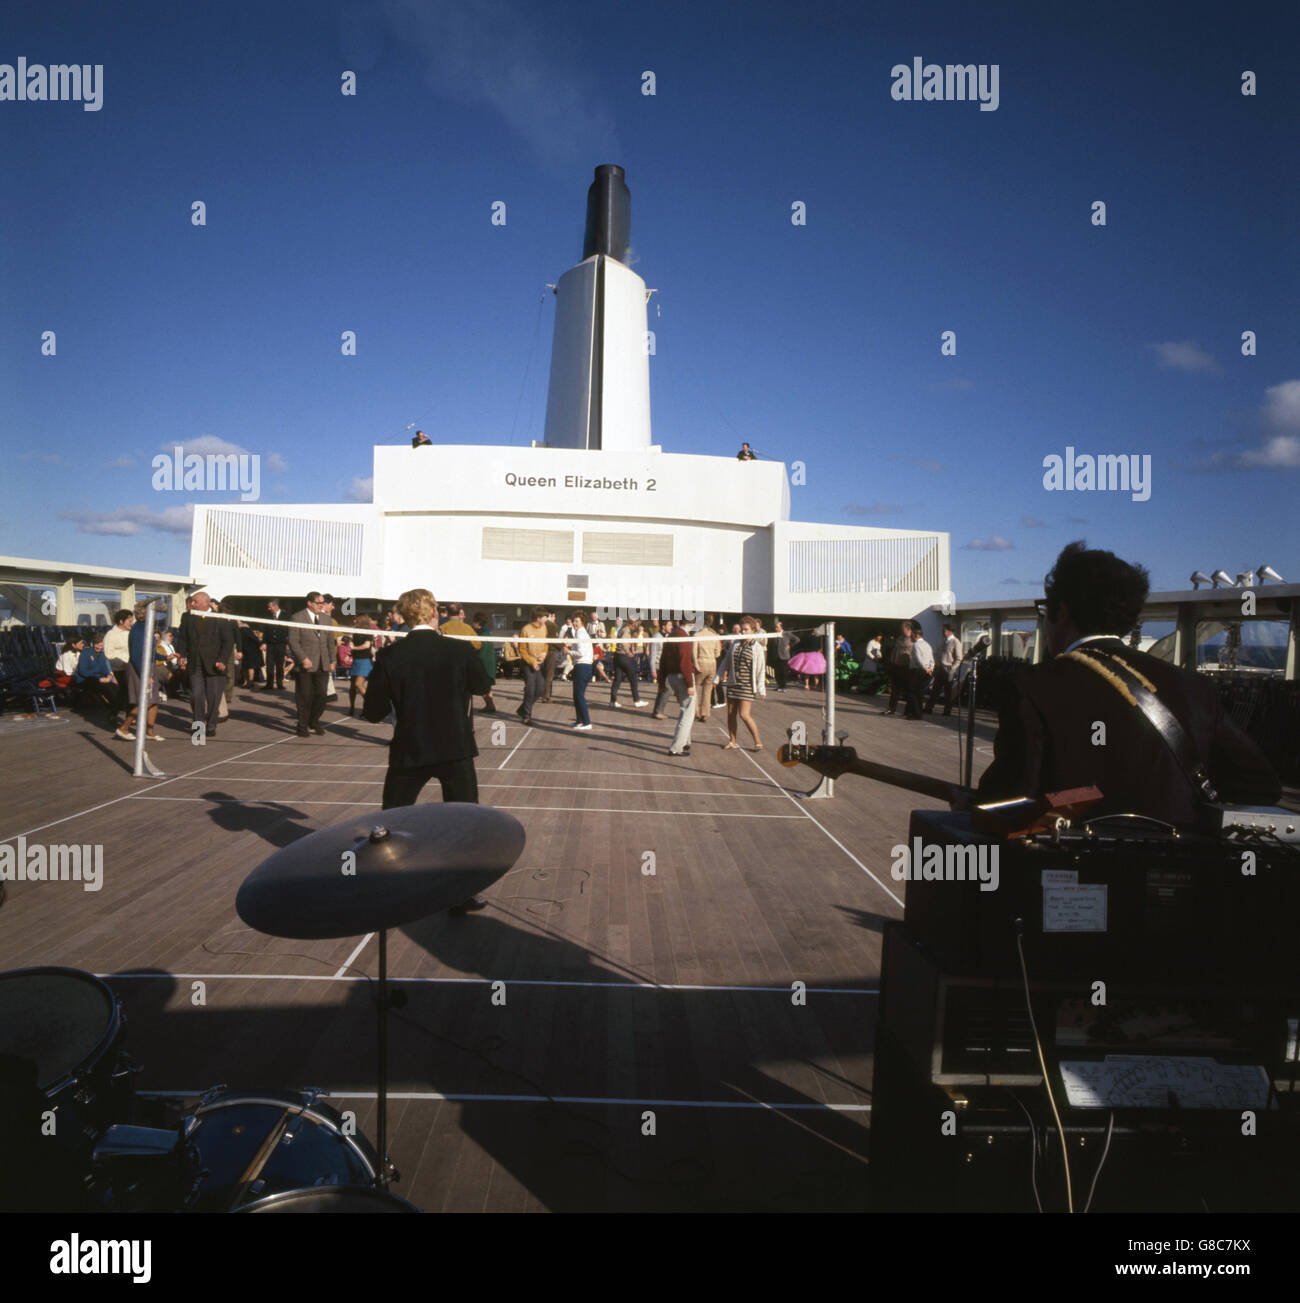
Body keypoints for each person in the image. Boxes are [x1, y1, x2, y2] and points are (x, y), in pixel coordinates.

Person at [978, 541, 1281, 823]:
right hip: (1179, 863)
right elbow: (1261, 785)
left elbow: (1008, 803)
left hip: (1071, 869)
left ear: (1062, 611)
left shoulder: (1032, 687)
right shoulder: (1195, 688)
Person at [363, 587, 493, 915]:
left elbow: (373, 711)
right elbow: (482, 685)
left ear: (404, 617)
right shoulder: (458, 650)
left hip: (410, 750)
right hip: (455, 749)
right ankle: (459, 895)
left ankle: (386, 888)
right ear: (434, 613)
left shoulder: (391, 656)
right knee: (464, 823)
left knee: (389, 822)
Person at [176, 591, 234, 739]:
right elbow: (182, 638)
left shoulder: (220, 618)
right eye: (192, 602)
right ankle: (198, 727)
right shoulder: (188, 617)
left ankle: (212, 724)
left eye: (195, 601)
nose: (192, 604)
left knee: (213, 697)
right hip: (195, 664)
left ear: (205, 602)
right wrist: (181, 655)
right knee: (196, 696)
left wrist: (222, 660)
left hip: (214, 665)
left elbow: (228, 642)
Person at [288, 591, 337, 737]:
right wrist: (303, 658)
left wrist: (332, 660)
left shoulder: (326, 619)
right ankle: (302, 725)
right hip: (306, 665)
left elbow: (330, 642)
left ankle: (314, 720)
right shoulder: (297, 617)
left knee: (322, 695)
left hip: (323, 663)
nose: (321, 606)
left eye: (322, 603)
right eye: (318, 603)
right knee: (305, 696)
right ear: (309, 603)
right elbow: (293, 641)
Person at [118, 600, 163, 741]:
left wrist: (165, 656)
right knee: (146, 701)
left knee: (154, 700)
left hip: (149, 665)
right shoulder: (139, 629)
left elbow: (150, 650)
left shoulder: (146, 627)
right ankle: (123, 728)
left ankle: (149, 731)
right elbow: (137, 655)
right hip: (140, 667)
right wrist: (145, 675)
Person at [721, 615, 765, 751]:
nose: (743, 632)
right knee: (730, 714)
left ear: (753, 630)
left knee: (744, 715)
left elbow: (761, 669)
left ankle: (758, 741)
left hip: (747, 685)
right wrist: (718, 677)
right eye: (742, 630)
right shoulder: (735, 643)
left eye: (746, 630)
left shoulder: (757, 647)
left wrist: (761, 688)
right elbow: (726, 661)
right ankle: (732, 741)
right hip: (733, 683)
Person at [658, 620, 697, 755]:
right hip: (682, 677)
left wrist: (661, 682)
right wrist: (690, 684)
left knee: (684, 709)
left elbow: (663, 660)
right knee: (687, 713)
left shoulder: (671, 636)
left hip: (671, 677)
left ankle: (685, 742)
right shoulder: (684, 637)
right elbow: (685, 661)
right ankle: (676, 748)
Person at [73, 632, 118, 724]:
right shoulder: (86, 653)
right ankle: (112, 712)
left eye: (101, 645)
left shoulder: (102, 654)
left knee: (115, 688)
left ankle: (113, 711)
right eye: (97, 645)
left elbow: (105, 669)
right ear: (94, 644)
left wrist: (109, 676)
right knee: (106, 688)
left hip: (99, 678)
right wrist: (99, 678)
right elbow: (83, 671)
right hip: (85, 679)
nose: (99, 647)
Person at [517, 606, 549, 725]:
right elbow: (522, 649)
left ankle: (523, 709)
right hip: (528, 664)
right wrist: (532, 662)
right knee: (530, 689)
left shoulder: (544, 628)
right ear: (538, 618)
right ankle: (526, 716)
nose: (547, 619)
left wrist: (544, 654)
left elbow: (546, 644)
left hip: (541, 662)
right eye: (545, 617)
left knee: (540, 689)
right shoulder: (526, 629)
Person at [925, 623, 962, 716]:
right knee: (935, 689)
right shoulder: (944, 641)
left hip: (948, 668)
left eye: (944, 630)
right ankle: (929, 707)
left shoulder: (956, 642)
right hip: (940, 668)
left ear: (950, 631)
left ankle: (947, 710)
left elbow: (959, 658)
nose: (943, 632)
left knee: (948, 691)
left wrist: (952, 669)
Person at [567, 611, 595, 731]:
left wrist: (567, 652)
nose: (574, 623)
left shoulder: (580, 634)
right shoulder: (580, 633)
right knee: (577, 695)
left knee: (579, 695)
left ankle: (587, 722)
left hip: (583, 666)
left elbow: (580, 653)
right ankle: (580, 721)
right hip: (583, 666)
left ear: (582, 622)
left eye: (577, 621)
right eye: (574, 621)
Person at [609, 622, 645, 708]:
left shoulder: (622, 629)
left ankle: (612, 701)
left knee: (617, 679)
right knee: (633, 678)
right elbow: (624, 643)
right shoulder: (626, 630)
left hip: (617, 656)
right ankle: (637, 700)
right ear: (633, 624)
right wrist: (628, 652)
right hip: (624, 657)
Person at [693, 619, 723, 723]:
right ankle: (705, 713)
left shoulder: (697, 636)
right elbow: (718, 652)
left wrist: (696, 664)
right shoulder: (714, 636)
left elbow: (694, 652)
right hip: (712, 663)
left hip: (701, 662)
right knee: (707, 690)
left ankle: (695, 711)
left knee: (695, 687)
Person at [882, 622, 914, 716]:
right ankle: (891, 709)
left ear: (908, 629)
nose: (901, 630)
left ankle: (907, 711)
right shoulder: (900, 638)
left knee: (907, 690)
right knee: (895, 689)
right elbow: (895, 650)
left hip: (906, 666)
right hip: (896, 665)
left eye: (903, 628)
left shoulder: (913, 639)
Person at [904, 622, 934, 720]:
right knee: (919, 693)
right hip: (927, 671)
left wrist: (925, 668)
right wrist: (930, 668)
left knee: (911, 691)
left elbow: (918, 658)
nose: (911, 637)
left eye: (912, 635)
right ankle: (917, 713)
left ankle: (916, 713)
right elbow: (931, 658)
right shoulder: (927, 644)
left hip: (917, 670)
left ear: (916, 635)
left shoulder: (916, 645)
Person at [471, 613, 500, 713]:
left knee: (482, 686)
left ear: (477, 622)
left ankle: (490, 705)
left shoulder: (480, 634)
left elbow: (478, 648)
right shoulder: (488, 632)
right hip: (490, 661)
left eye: (474, 621)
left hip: (483, 663)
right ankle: (490, 706)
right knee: (487, 686)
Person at [262, 600, 289, 689]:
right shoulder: (268, 616)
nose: (269, 609)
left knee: (280, 664)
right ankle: (269, 684)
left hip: (281, 644)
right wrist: (264, 642)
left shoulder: (285, 616)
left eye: (270, 607)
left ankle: (279, 683)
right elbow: (265, 630)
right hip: (270, 644)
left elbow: (288, 630)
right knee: (269, 664)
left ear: (276, 606)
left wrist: (288, 643)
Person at [542, 611, 560, 703]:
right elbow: (554, 639)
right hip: (551, 651)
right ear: (550, 615)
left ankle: (545, 694)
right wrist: (563, 646)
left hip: (543, 651)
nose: (555, 618)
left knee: (544, 673)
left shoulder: (542, 624)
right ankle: (546, 696)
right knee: (549, 674)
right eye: (554, 616)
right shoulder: (551, 625)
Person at [772, 620, 793, 691]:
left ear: (781, 627)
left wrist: (790, 645)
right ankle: (779, 685)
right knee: (777, 672)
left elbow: (797, 639)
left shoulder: (787, 633)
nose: (776, 629)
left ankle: (784, 686)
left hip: (784, 656)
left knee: (783, 672)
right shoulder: (775, 634)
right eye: (775, 627)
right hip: (776, 656)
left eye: (777, 627)